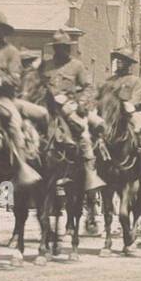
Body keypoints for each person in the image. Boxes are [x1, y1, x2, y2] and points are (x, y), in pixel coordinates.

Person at [0, 11, 46, 186]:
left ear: (4, 32)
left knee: (13, 122)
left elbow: (15, 78)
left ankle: (21, 166)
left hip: (2, 97)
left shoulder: (12, 52)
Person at [96, 46, 141, 185]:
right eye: (117, 60)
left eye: (122, 60)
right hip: (108, 116)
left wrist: (126, 105)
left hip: (128, 114)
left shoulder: (134, 80)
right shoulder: (109, 81)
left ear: (128, 63)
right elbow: (99, 98)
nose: (118, 62)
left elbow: (137, 97)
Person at [41, 29, 98, 179]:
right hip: (46, 104)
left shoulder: (77, 65)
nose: (62, 50)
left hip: (68, 104)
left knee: (83, 131)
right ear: (54, 48)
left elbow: (89, 87)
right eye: (59, 47)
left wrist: (82, 103)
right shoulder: (46, 65)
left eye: (65, 47)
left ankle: (90, 169)